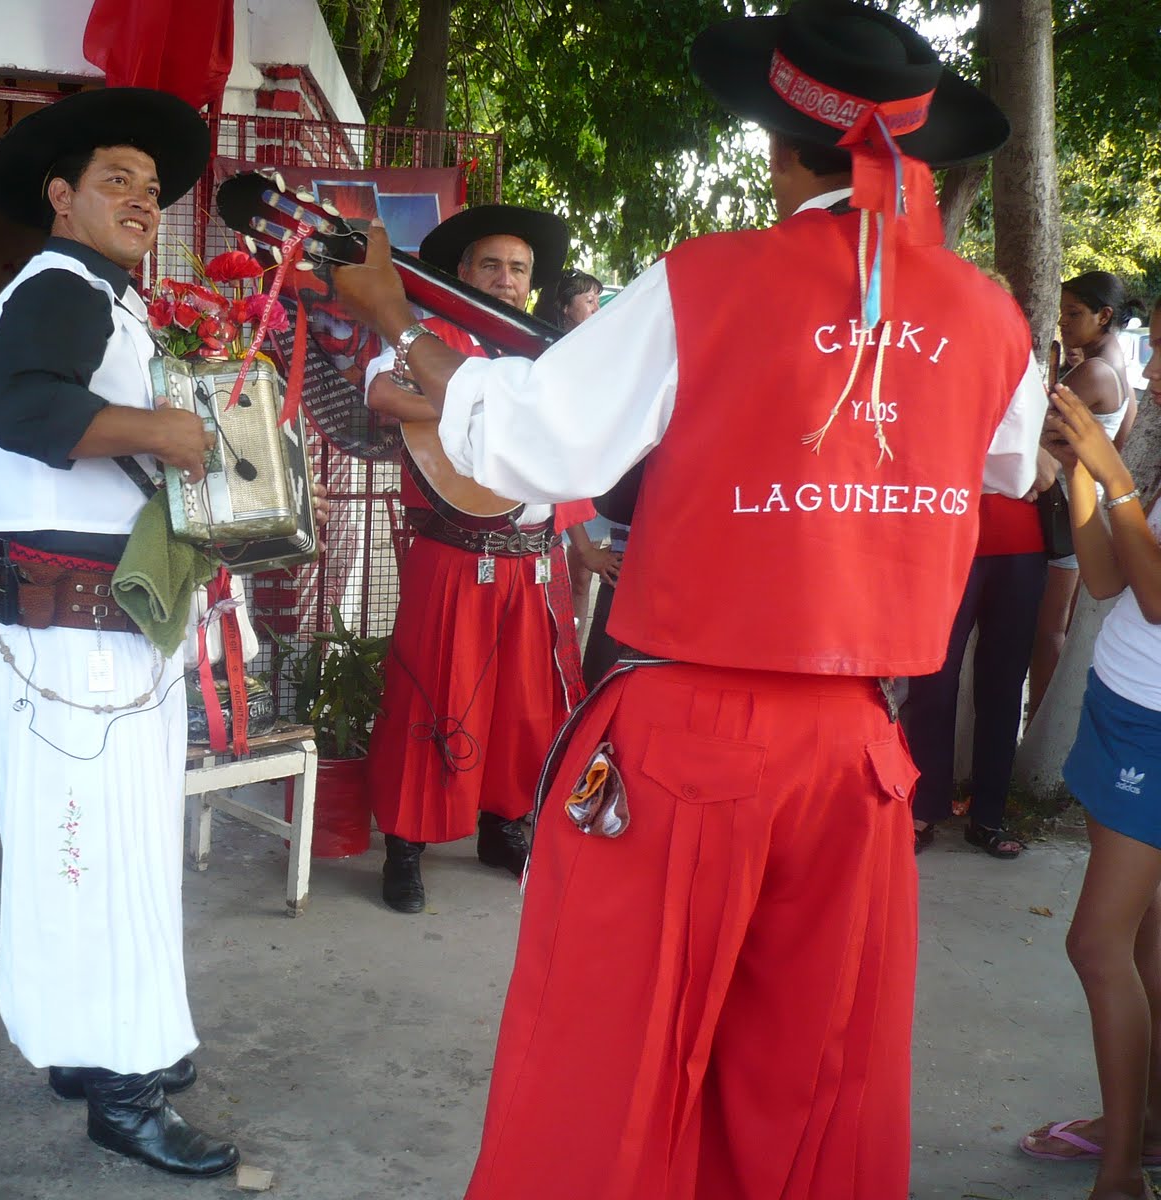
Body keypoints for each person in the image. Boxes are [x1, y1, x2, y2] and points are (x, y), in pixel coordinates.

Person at [331, 2, 1043, 1195]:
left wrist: (405, 325)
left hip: (692, 736)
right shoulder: (988, 318)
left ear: (777, 144)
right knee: (808, 1079)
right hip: (862, 750)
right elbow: (1010, 464)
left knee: (609, 1062)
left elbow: (533, 448)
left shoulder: (706, 283)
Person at [0, 88, 232, 1178]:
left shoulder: (113, 302)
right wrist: (172, 432)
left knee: (96, 850)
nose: (143, 199)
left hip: (102, 632)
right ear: (61, 196)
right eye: (117, 179)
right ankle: (120, 1094)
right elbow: (26, 412)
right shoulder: (58, 283)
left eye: (153, 188)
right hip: (71, 637)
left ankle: (98, 1048)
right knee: (98, 856)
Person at [362, 205, 594, 913]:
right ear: (462, 274)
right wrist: (477, 411)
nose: (504, 279)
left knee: (527, 705)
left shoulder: (551, 351)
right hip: (453, 552)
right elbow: (379, 392)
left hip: (534, 558)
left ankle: (504, 825)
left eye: (517, 269)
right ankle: (406, 844)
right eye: (490, 265)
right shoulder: (427, 336)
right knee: (432, 694)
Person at [1018, 356, 1161, 1200]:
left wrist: (1113, 476)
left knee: (1096, 943)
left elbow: (1155, 599)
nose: (1151, 364)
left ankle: (1122, 1174)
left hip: (1151, 728)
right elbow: (1108, 577)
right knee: (1143, 945)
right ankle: (1141, 1126)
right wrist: (1082, 464)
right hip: (1126, 710)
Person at [904, 274, 1058, 860]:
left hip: (1020, 547)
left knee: (1002, 682)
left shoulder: (1022, 367)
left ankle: (988, 815)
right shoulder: (932, 367)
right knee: (933, 681)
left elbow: (1051, 454)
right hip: (948, 541)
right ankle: (922, 807)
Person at [1028, 271, 1138, 722]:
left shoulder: (1093, 371)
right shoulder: (1117, 369)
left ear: (1104, 316)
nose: (1063, 323)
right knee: (1055, 627)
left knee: (1049, 630)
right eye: (1062, 313)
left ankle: (1038, 726)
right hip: (1083, 511)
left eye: (1074, 313)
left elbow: (1034, 434)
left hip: (1068, 511)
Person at [536, 268, 622, 624]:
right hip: (568, 486)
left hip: (601, 481)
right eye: (589, 301)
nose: (596, 309)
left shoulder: (606, 355)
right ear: (566, 308)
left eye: (597, 301)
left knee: (589, 576)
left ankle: (576, 658)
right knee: (571, 576)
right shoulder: (548, 356)